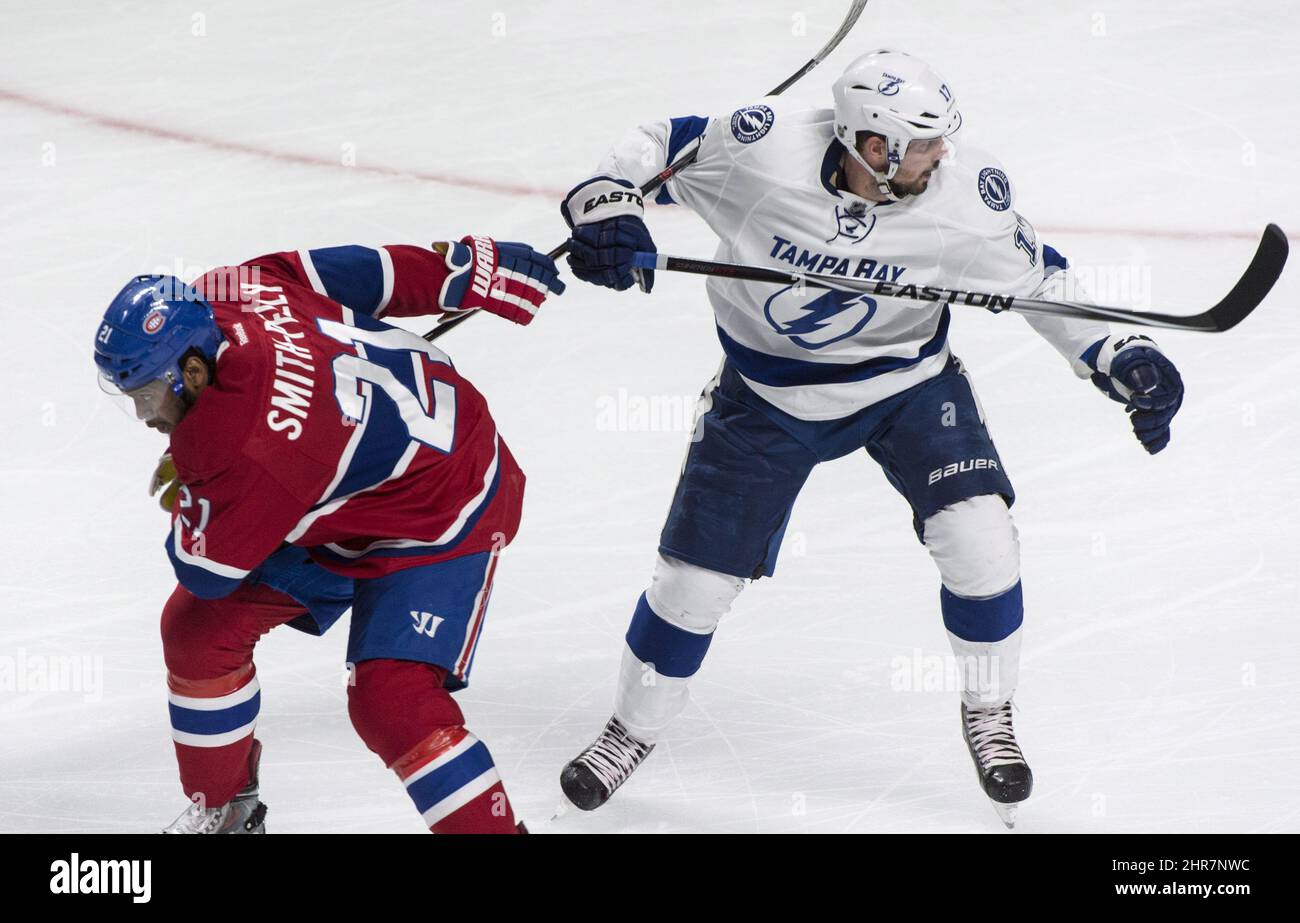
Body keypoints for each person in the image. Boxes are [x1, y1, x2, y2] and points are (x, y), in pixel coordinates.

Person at [555, 49, 1183, 827]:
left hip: (907, 388)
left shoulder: (967, 200)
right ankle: (631, 729)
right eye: (923, 143)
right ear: (871, 148)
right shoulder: (762, 150)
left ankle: (989, 708)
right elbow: (656, 143)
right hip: (767, 398)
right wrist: (608, 206)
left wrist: (1119, 353)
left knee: (982, 540)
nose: (941, 153)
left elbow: (1038, 278)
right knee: (693, 585)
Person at [93, 235, 563, 833]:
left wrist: (191, 490)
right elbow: (355, 273)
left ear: (192, 369)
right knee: (195, 634)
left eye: (148, 395)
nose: (144, 416)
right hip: (347, 489)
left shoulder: (240, 448)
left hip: (443, 505)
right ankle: (227, 807)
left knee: (390, 701)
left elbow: (206, 571)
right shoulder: (225, 289)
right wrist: (457, 273)